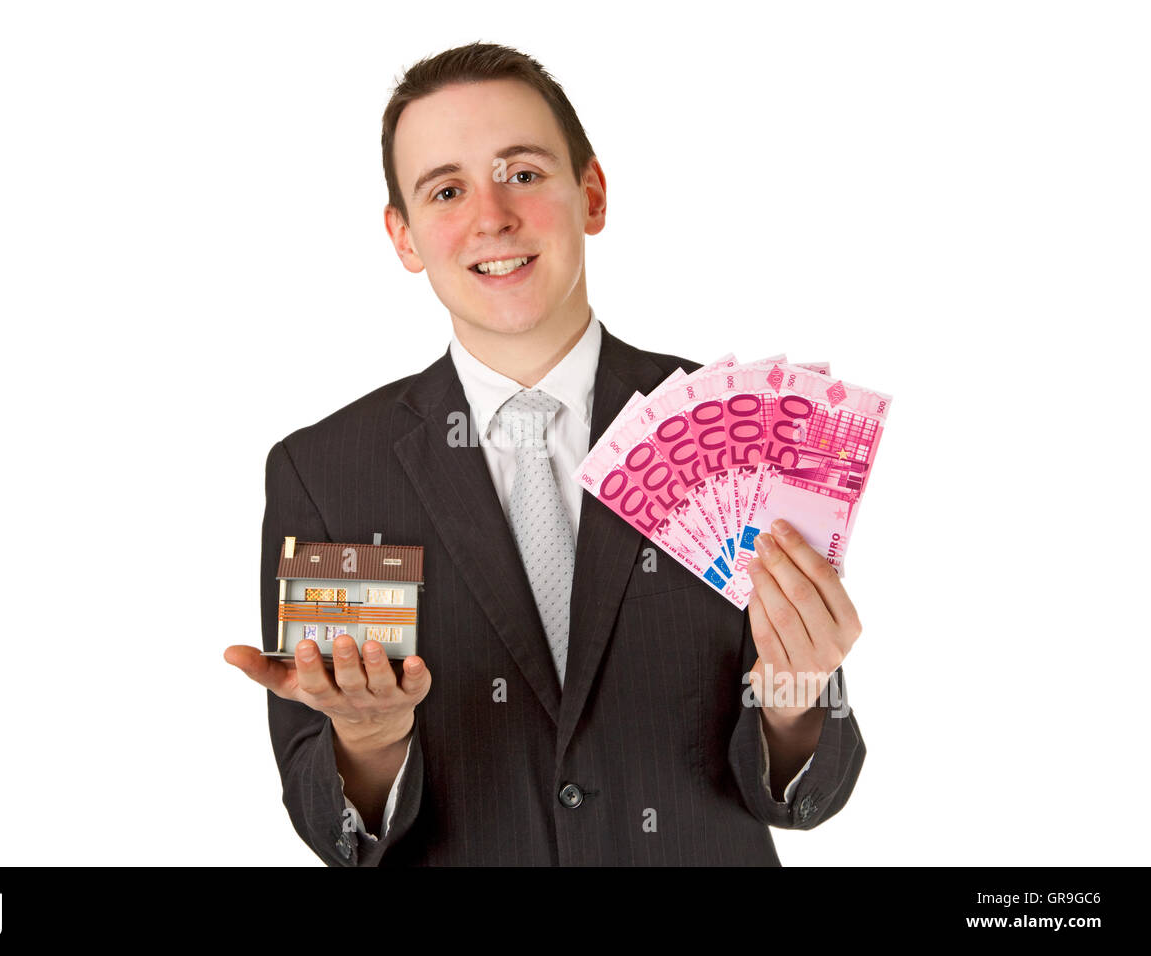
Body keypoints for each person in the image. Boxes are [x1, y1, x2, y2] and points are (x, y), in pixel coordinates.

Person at [224, 41, 865, 866]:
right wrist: (371, 744)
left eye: (522, 173)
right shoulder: (327, 473)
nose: (492, 216)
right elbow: (331, 825)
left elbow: (811, 795)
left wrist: (795, 694)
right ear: (404, 236)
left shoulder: (740, 432)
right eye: (447, 190)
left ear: (591, 193)